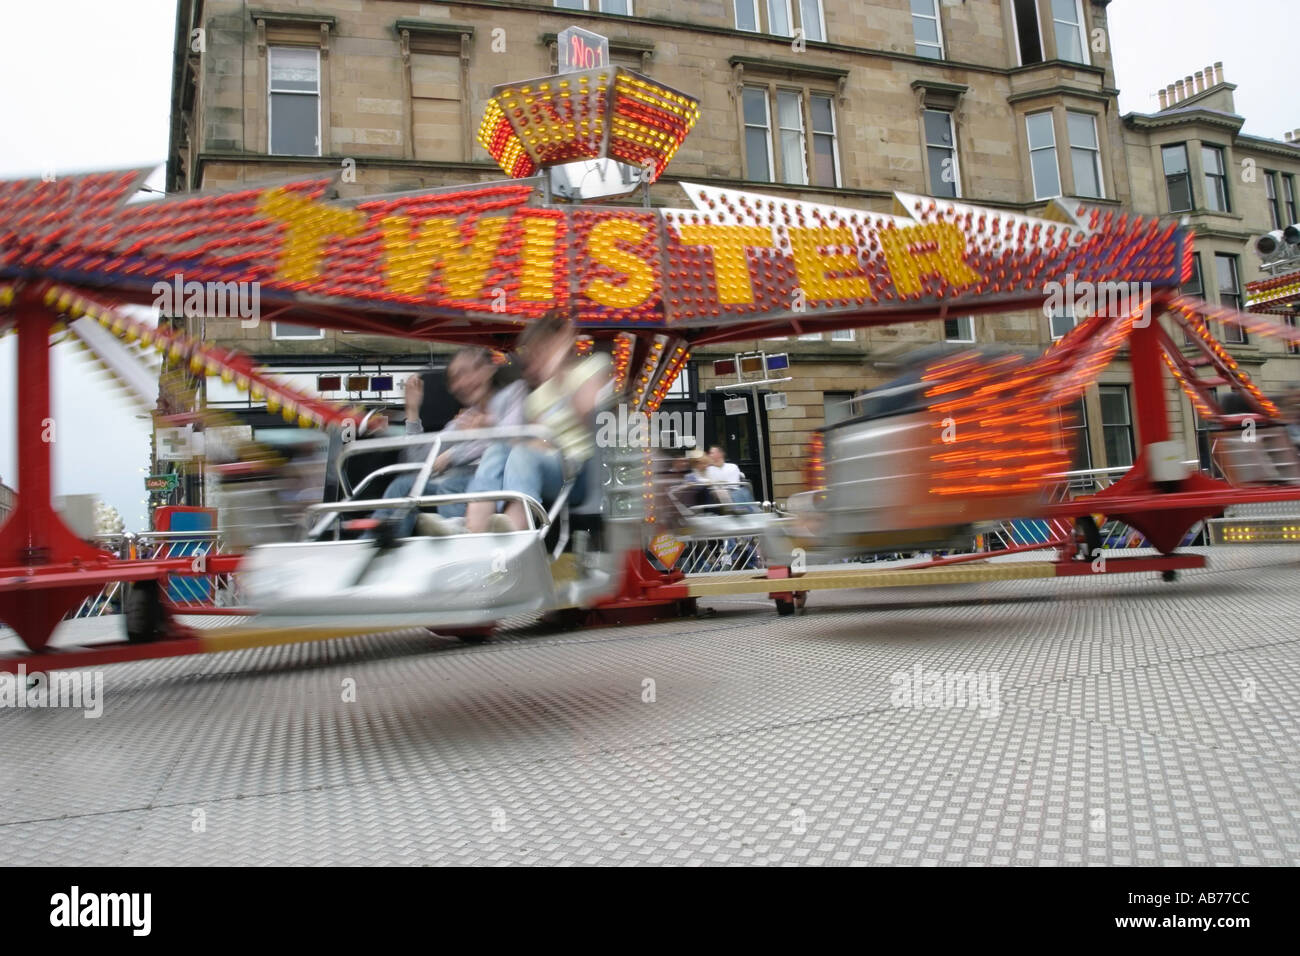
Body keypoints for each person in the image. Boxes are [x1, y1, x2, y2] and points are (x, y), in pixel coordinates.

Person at [464, 315, 611, 533]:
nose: (533, 363)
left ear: (559, 344)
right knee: (498, 449)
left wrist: (559, 375)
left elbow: (590, 418)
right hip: (552, 466)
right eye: (531, 356)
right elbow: (537, 442)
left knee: (523, 457)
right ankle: (473, 529)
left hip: (584, 471)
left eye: (539, 351)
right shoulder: (536, 398)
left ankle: (516, 533)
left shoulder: (594, 367)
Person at [373, 348, 526, 536]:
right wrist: (412, 412)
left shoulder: (513, 394)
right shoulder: (463, 420)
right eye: (454, 379)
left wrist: (456, 454)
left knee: (453, 485)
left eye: (465, 372)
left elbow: (512, 439)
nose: (460, 384)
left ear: (487, 369)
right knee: (402, 485)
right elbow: (420, 461)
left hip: (499, 481)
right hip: (458, 484)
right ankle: (375, 544)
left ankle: (458, 536)